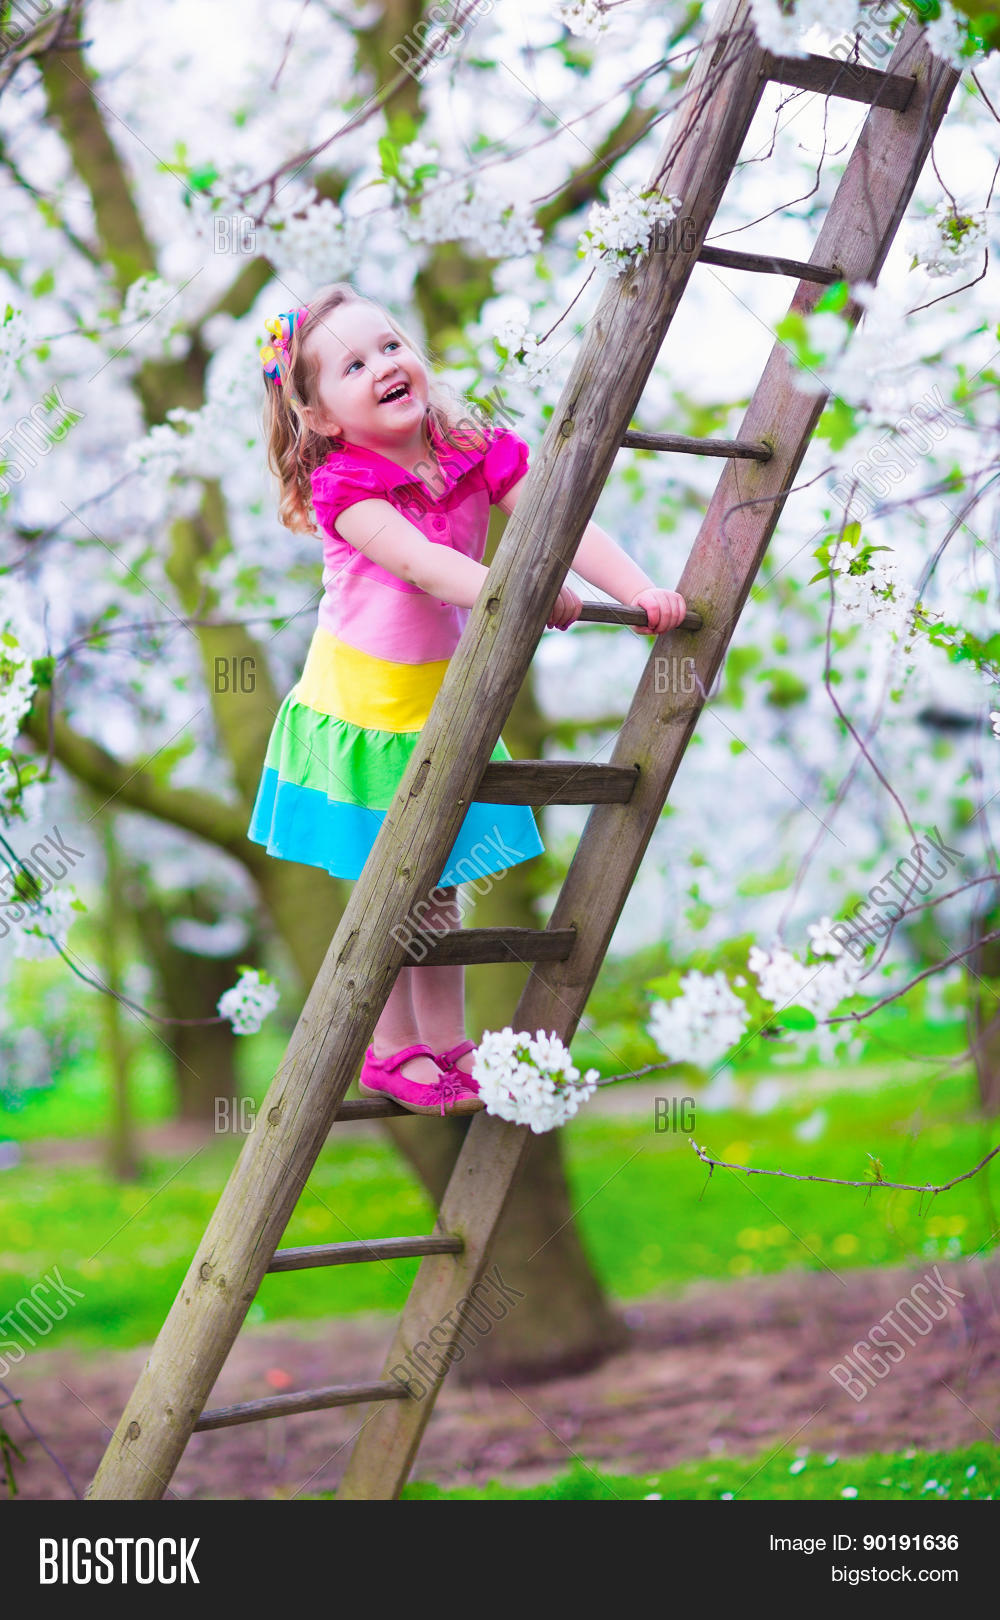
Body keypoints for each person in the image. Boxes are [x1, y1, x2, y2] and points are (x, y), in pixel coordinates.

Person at [248, 282, 687, 1116]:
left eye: (390, 345)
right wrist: (523, 589)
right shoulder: (345, 485)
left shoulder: (471, 447)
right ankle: (387, 1048)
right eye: (352, 365)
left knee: (441, 882)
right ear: (321, 416)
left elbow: (562, 521)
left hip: (442, 705)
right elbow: (422, 565)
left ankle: (447, 1043)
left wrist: (638, 592)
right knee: (388, 882)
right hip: (363, 710)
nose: (384, 365)